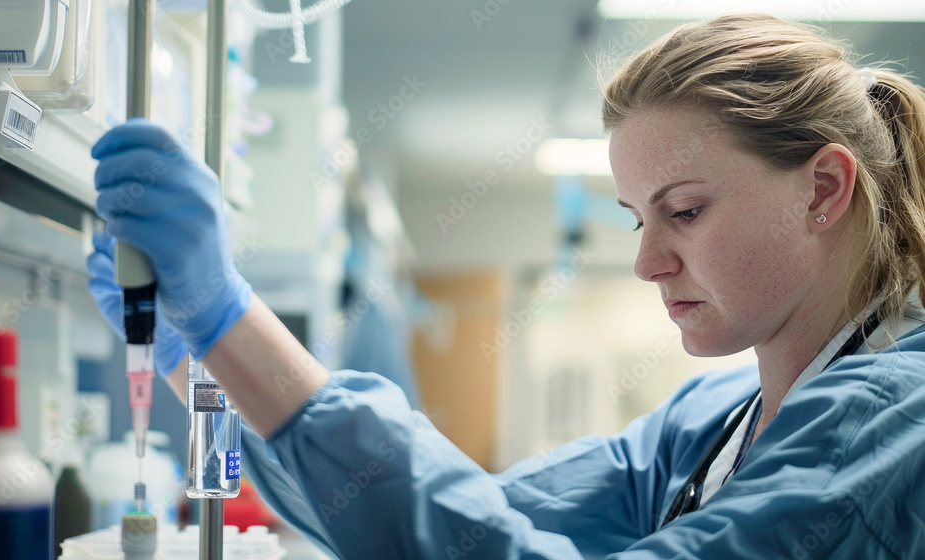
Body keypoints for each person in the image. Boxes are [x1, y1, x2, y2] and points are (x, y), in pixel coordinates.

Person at [87, 13, 925, 559]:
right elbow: (421, 522)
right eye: (640, 219)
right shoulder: (707, 423)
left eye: (687, 211)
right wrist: (195, 359)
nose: (648, 261)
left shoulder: (894, 423)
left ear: (822, 190)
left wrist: (233, 317)